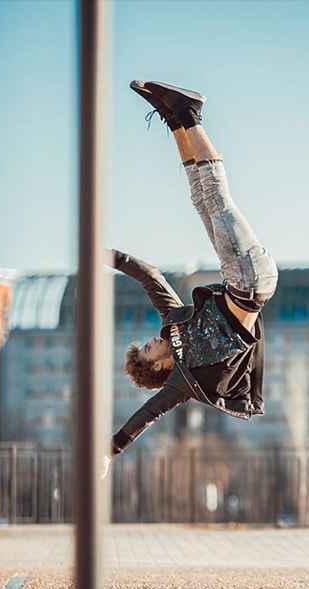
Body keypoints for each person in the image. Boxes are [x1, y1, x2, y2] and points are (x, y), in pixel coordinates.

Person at [107, 80, 278, 465]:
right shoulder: (182, 382)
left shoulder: (172, 322)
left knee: (201, 197)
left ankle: (174, 119)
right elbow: (146, 416)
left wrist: (110, 257)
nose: (153, 339)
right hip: (251, 284)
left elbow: (150, 276)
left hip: (239, 277)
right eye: (150, 348)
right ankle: (190, 113)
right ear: (159, 366)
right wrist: (111, 448)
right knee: (216, 195)